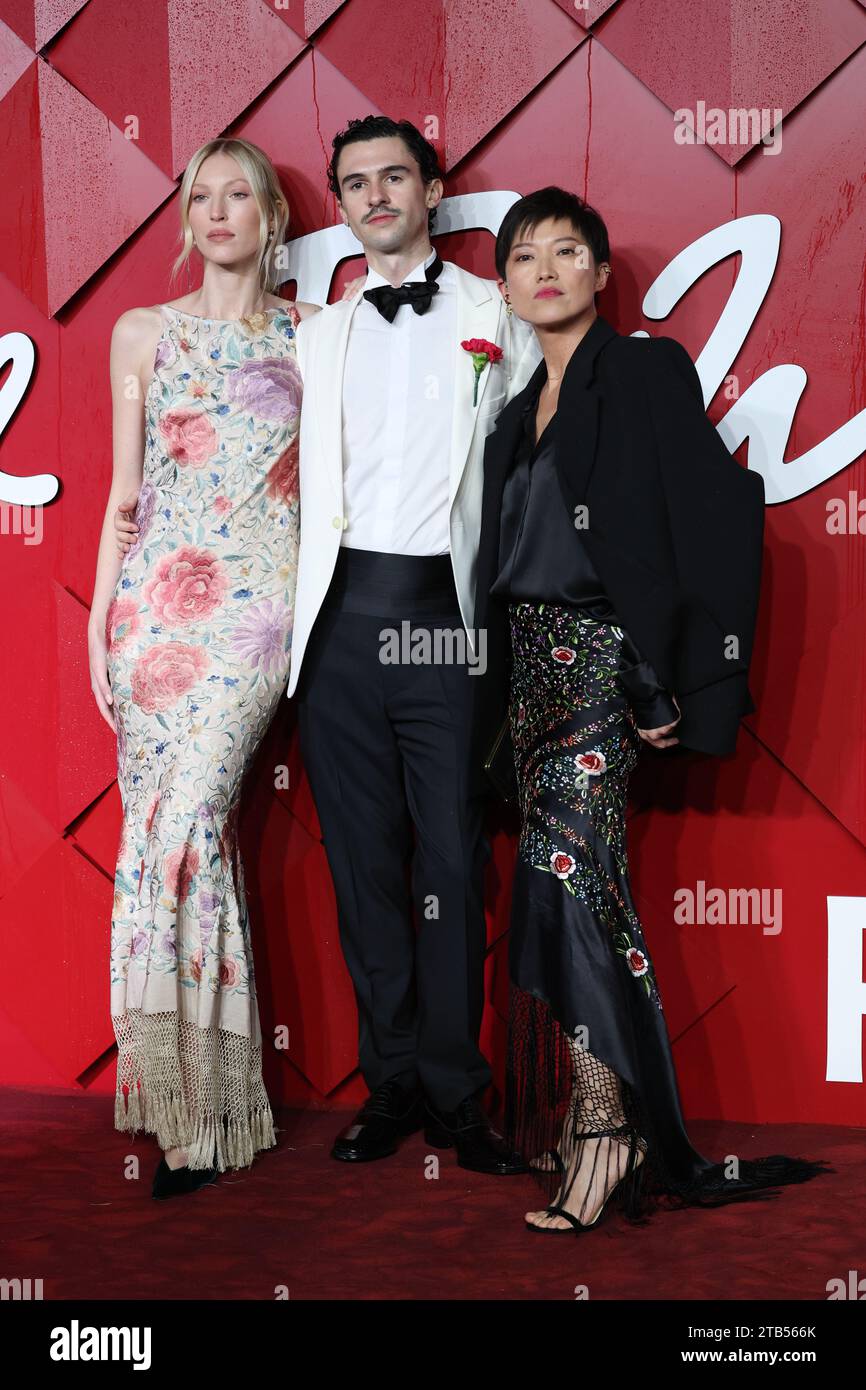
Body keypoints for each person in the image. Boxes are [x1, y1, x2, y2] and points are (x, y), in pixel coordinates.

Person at [471, 185, 833, 1232]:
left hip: (596, 664)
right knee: (562, 892)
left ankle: (604, 1132)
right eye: (524, 256)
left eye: (567, 251)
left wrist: (660, 669)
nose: (545, 269)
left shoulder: (640, 370)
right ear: (502, 285)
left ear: (598, 274)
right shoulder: (504, 417)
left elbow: (703, 513)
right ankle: (607, 1119)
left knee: (567, 884)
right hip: (525, 673)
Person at [286, 116, 544, 1173]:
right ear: (341, 204)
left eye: (395, 175)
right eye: (355, 182)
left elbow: (535, 479)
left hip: (443, 620)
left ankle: (454, 1090)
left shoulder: (497, 314)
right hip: (340, 617)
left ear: (433, 188)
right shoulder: (319, 332)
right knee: (364, 870)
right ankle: (387, 1084)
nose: (375, 194)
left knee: (448, 859)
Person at [91, 137, 324, 1199]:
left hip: (252, 626)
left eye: (241, 194)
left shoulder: (318, 337)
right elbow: (123, 495)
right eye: (202, 195)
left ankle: (210, 1103)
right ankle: (186, 1107)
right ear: (185, 219)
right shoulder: (143, 333)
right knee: (157, 840)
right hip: (150, 618)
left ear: (272, 216)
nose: (219, 210)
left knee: (188, 827)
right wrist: (101, 624)